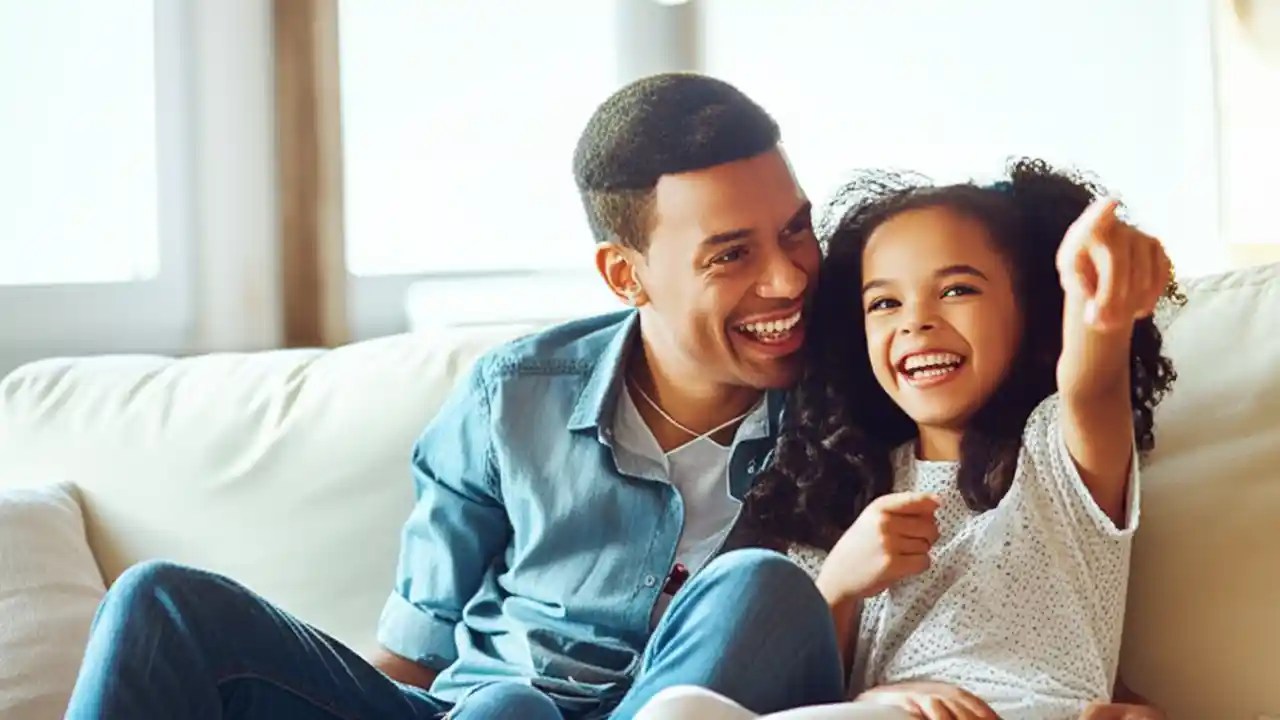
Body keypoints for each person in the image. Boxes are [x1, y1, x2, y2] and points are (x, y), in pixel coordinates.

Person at [63, 73, 848, 720]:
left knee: (763, 587)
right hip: (478, 710)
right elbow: (411, 656)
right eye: (732, 255)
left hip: (679, 702)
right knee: (160, 602)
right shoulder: (511, 400)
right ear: (624, 275)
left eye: (795, 230)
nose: (788, 279)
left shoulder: (852, 401)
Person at [636, 159, 1178, 720]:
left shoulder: (1056, 458)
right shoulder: (845, 491)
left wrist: (1096, 299)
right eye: (885, 303)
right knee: (679, 709)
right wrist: (841, 585)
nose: (916, 321)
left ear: (1035, 312)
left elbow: (1092, 384)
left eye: (957, 289)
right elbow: (803, 681)